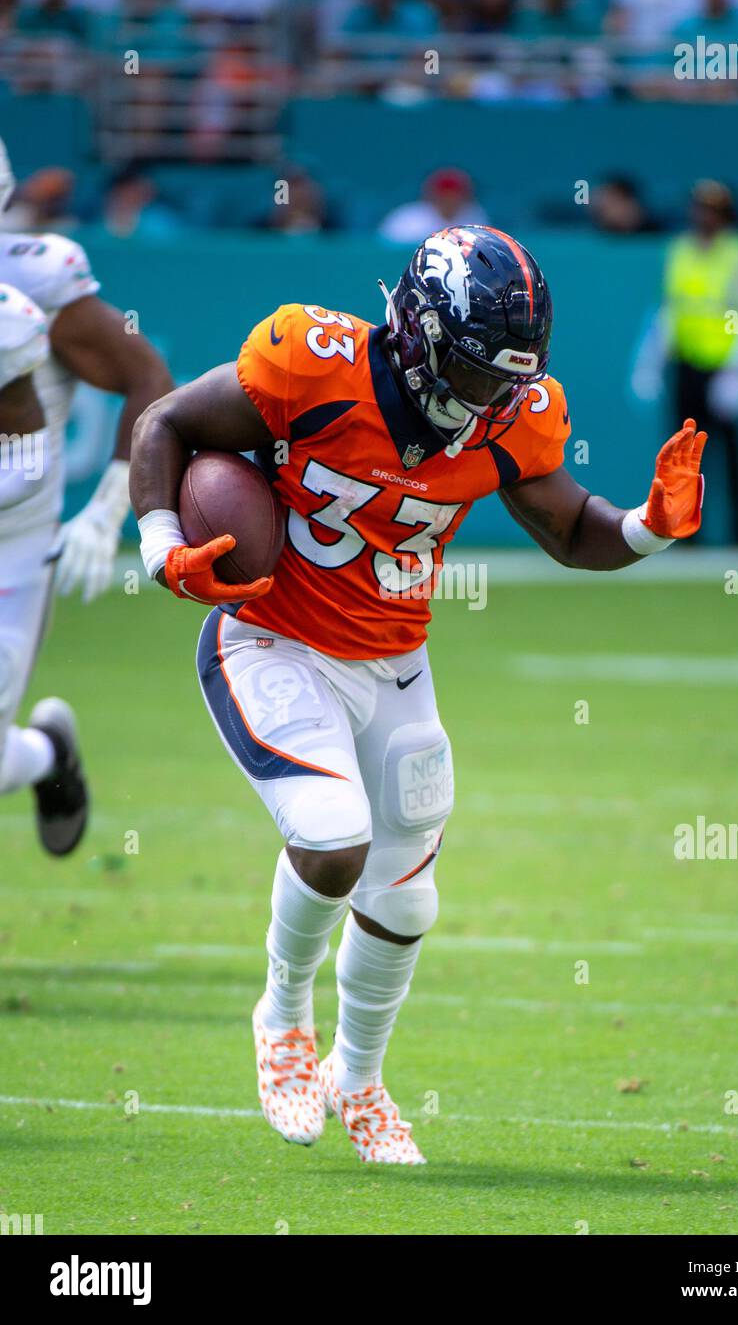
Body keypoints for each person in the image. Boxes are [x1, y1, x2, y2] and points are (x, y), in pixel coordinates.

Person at [130, 224, 706, 1165]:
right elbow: (167, 423)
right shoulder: (309, 364)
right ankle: (281, 1014)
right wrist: (159, 544)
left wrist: (647, 528)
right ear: (419, 334)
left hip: (396, 664)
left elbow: (568, 528)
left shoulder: (513, 415)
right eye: (477, 376)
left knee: (407, 906)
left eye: (507, 383)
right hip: (274, 643)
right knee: (330, 834)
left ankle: (357, 1079)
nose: (489, 402)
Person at [0, 137, 173, 855]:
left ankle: (44, 753)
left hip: (13, 546)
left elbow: (150, 381)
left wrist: (107, 511)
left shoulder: (31, 289)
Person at [631, 179, 738, 545]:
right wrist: (650, 362)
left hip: (724, 369)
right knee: (682, 457)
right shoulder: (679, 250)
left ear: (725, 215)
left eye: (711, 210)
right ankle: (685, 535)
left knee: (731, 458)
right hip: (687, 364)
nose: (702, 215)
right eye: (698, 208)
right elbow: (670, 309)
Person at [378, 167, 487, 245]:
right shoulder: (406, 220)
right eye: (444, 195)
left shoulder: (475, 216)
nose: (449, 199)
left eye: (455, 195)